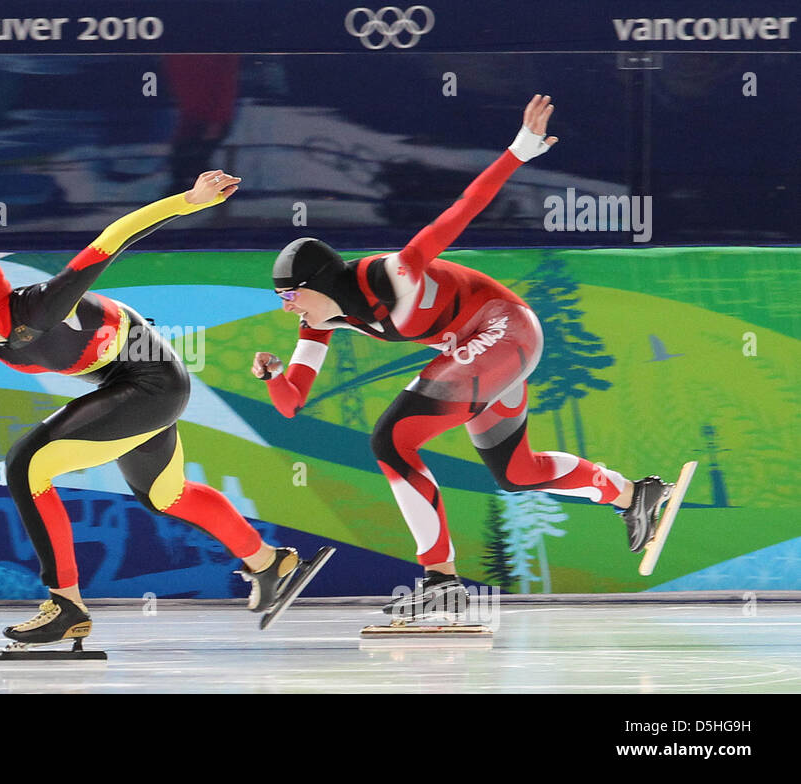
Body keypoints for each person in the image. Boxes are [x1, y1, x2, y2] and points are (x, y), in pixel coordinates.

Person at [252, 95, 675, 618]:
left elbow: (459, 213)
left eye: (289, 296)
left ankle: (440, 580)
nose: (288, 308)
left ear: (317, 285)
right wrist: (273, 375)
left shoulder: (394, 274)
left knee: (392, 438)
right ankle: (634, 495)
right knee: (516, 472)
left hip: (506, 330)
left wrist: (518, 152)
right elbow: (292, 403)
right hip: (479, 355)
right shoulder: (319, 322)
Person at [0, 171, 308, 647]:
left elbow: (114, 237)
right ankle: (271, 562)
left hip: (152, 380)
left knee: (27, 462)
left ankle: (66, 606)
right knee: (166, 496)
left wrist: (190, 200)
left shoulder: (40, 307)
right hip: (126, 384)